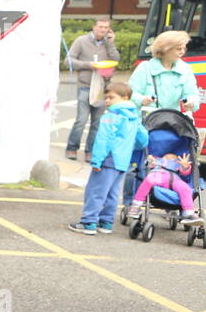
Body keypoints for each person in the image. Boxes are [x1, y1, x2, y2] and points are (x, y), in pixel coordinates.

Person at [68, 82, 147, 235]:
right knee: (112, 192)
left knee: (96, 190)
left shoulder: (111, 116)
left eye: (111, 97)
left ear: (125, 98)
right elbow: (143, 139)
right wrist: (130, 146)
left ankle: (89, 222)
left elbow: (103, 139)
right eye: (106, 98)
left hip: (108, 158)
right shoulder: (134, 117)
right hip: (123, 161)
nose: (108, 101)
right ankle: (106, 222)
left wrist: (97, 160)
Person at [66, 18, 119, 162]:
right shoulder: (81, 41)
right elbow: (69, 61)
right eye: (101, 27)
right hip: (85, 85)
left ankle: (90, 150)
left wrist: (111, 44)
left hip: (102, 87)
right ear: (94, 27)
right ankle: (72, 148)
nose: (103, 30)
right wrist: (89, 65)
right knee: (81, 120)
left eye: (106, 28)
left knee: (97, 122)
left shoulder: (108, 44)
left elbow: (116, 59)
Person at [128, 30, 200, 114]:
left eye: (184, 48)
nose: (182, 52)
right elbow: (131, 94)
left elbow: (192, 94)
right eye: (179, 49)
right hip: (147, 121)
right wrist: (142, 100)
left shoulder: (186, 69)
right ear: (165, 49)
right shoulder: (145, 68)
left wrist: (191, 103)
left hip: (172, 120)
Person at [128, 152, 201, 227]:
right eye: (167, 156)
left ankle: (189, 213)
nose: (170, 157)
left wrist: (185, 166)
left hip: (175, 179)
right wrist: (150, 160)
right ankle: (136, 205)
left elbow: (185, 172)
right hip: (159, 175)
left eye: (173, 157)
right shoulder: (158, 160)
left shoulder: (178, 163)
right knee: (148, 180)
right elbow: (148, 165)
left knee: (186, 189)